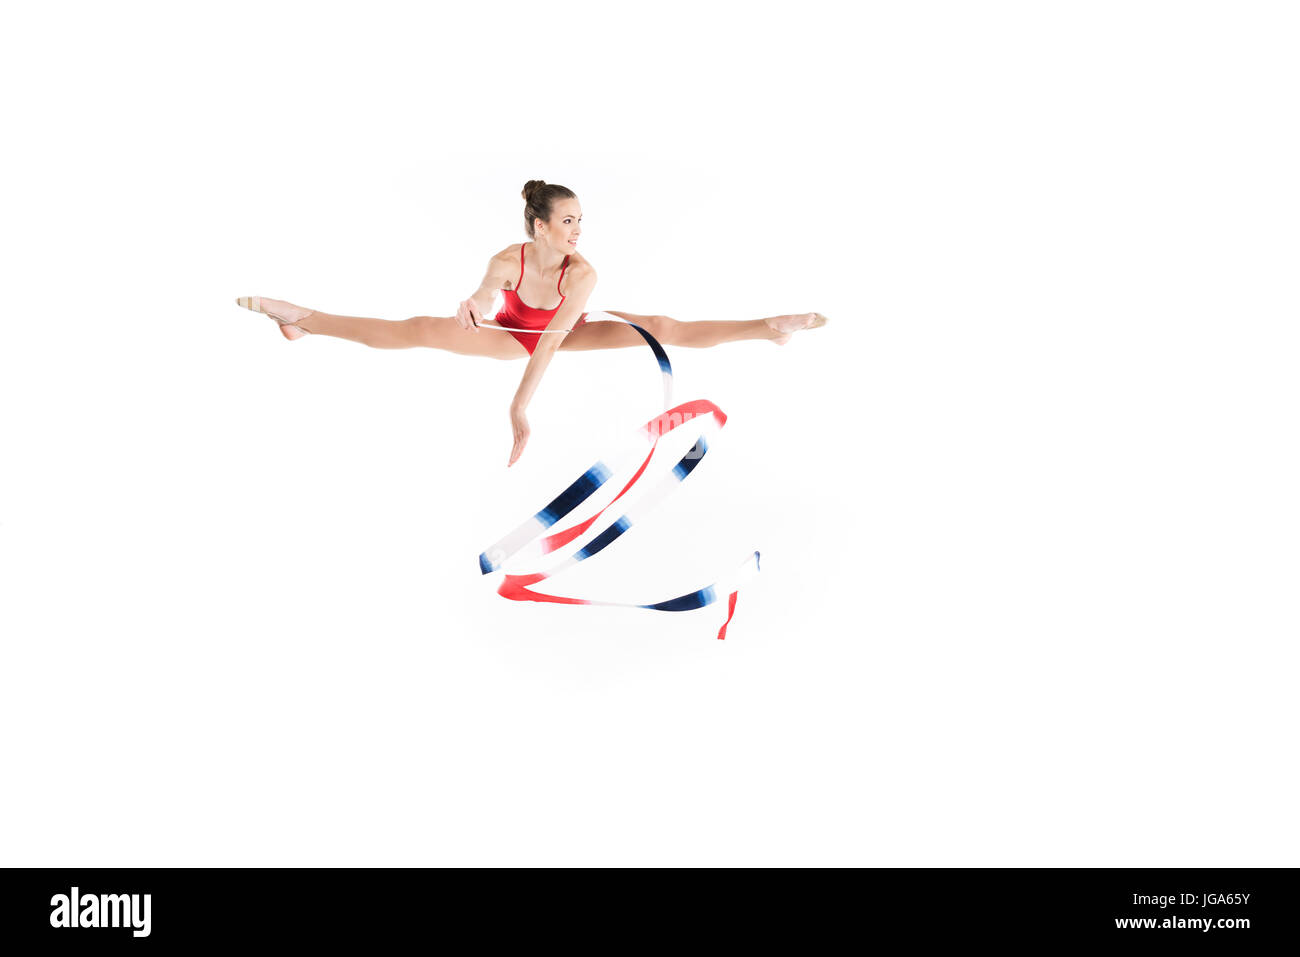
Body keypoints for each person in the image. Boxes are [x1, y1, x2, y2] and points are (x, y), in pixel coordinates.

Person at [237, 180, 827, 466]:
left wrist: (520, 407)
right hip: (510, 337)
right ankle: (304, 319)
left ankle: (770, 326)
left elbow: (550, 342)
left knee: (661, 326)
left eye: (580, 220)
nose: (577, 229)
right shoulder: (506, 259)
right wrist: (471, 306)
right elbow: (484, 298)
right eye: (568, 220)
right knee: (413, 329)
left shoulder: (582, 274)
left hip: (555, 336)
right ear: (539, 226)